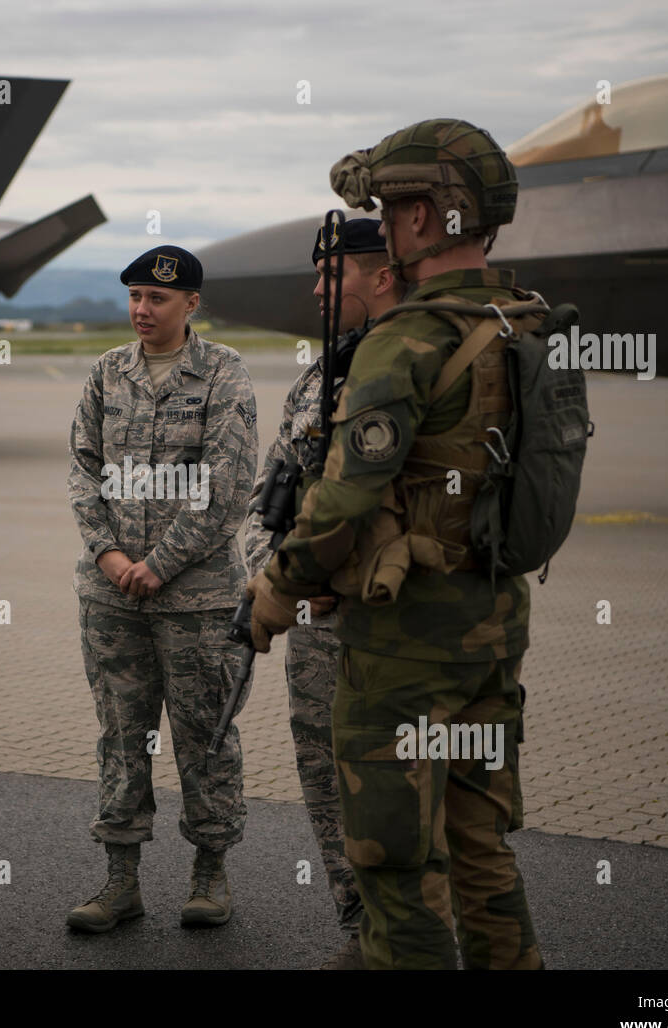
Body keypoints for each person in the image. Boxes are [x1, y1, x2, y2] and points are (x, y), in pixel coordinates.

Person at [247, 120, 545, 970]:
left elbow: (341, 500)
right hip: (493, 623)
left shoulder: (405, 339)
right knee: (482, 848)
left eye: (390, 205)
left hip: (407, 644)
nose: (387, 220)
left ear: (422, 218)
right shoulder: (521, 324)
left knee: (395, 861)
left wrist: (274, 591)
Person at [66, 245, 258, 932]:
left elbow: (228, 488)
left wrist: (160, 563)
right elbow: (83, 472)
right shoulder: (107, 372)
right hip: (112, 598)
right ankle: (120, 882)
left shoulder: (223, 375)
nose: (143, 310)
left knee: (204, 737)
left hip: (198, 601)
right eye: (135, 297)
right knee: (121, 735)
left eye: (158, 299)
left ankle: (210, 873)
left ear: (191, 304)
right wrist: (111, 555)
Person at [242, 217, 401, 970]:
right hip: (307, 620)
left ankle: (404, 935)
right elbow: (269, 489)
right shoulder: (321, 373)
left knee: (389, 785)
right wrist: (268, 572)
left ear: (382, 276)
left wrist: (310, 578)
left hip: (379, 623)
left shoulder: (402, 367)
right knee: (321, 775)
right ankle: (359, 930)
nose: (315, 289)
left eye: (332, 275)